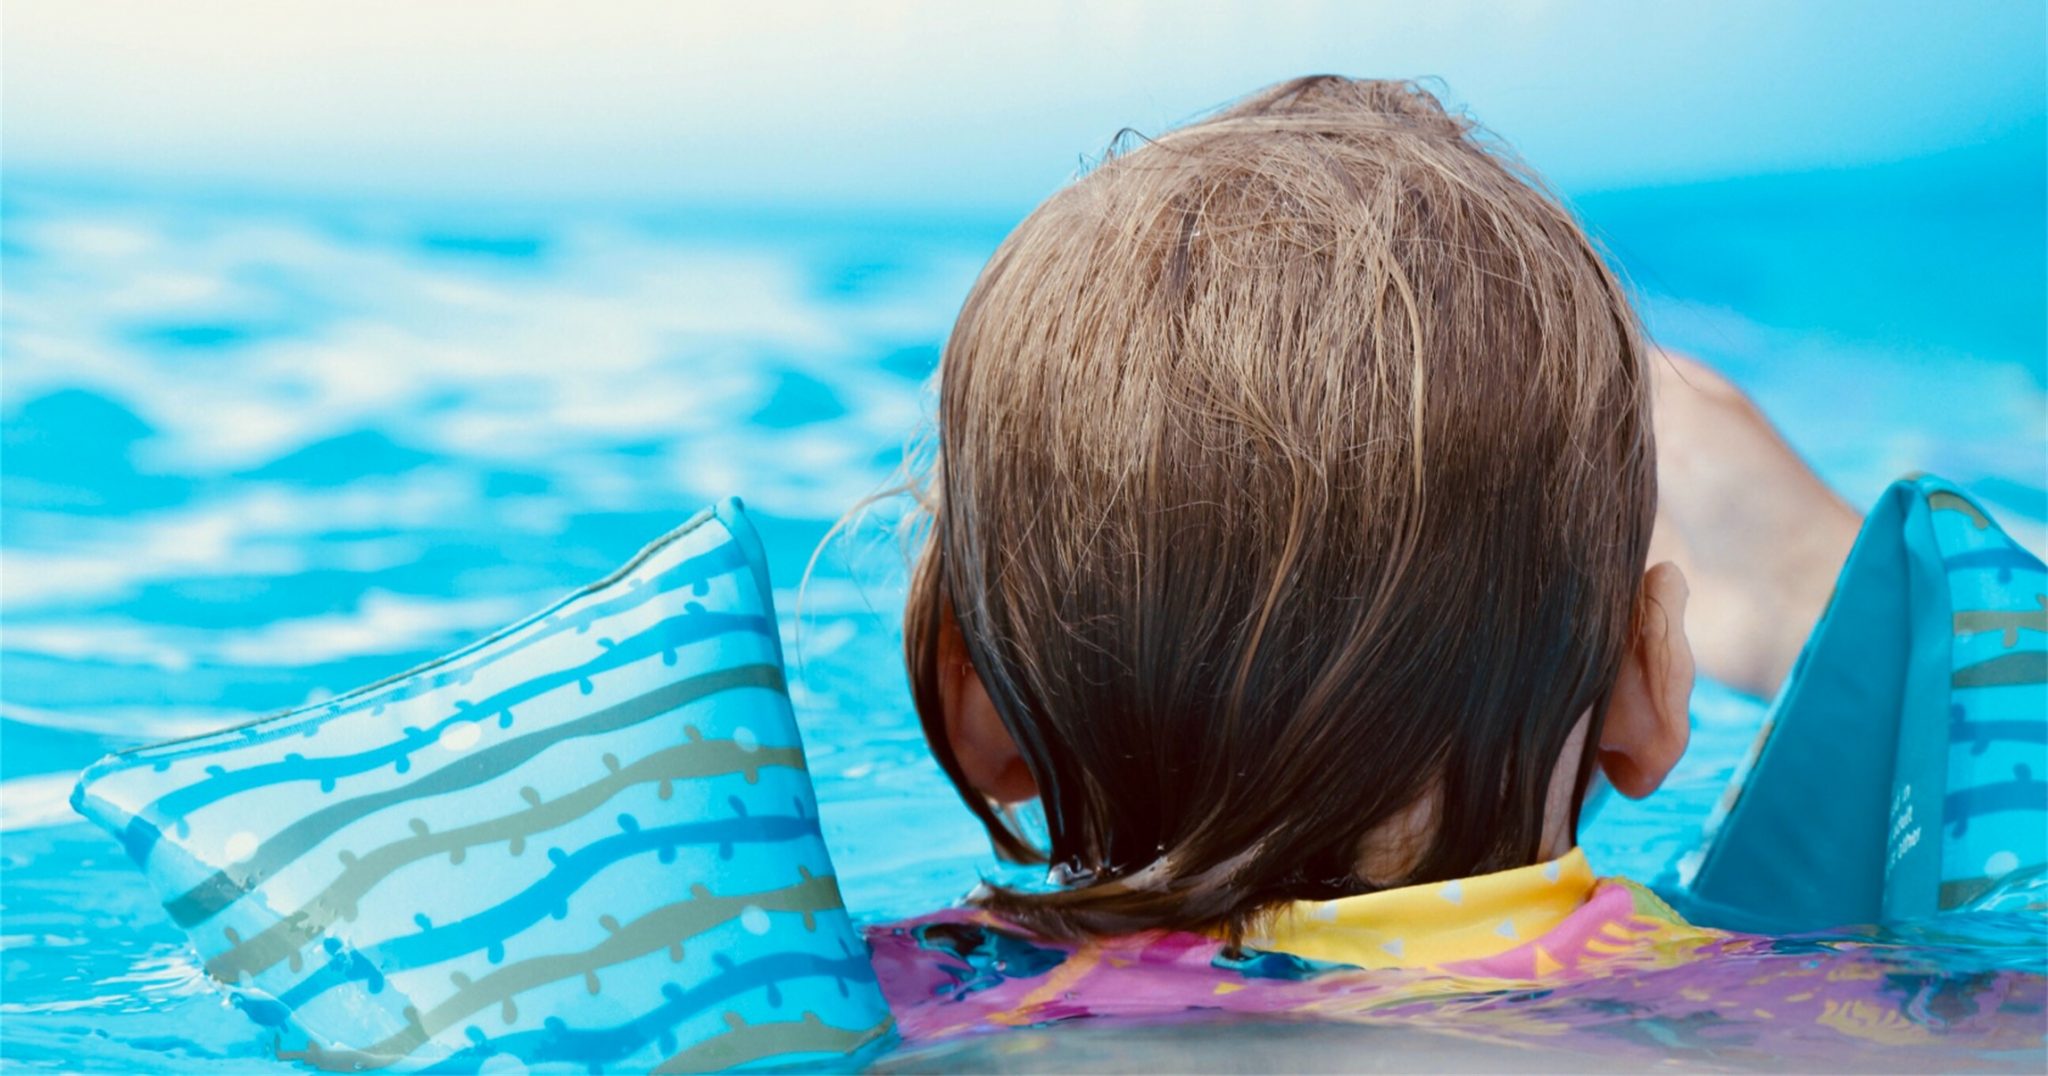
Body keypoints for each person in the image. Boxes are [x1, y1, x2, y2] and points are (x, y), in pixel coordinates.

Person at [865, 76, 2045, 1061]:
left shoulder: (894, 1009)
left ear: (972, 700)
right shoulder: (1805, 1013)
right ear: (1647, 689)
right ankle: (1797, 587)